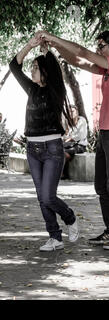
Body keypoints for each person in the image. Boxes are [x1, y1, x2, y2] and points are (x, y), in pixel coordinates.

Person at [38, 30, 109, 250]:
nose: (98, 49)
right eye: (98, 46)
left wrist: (52, 37)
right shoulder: (106, 71)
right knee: (101, 185)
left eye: (102, 46)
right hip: (105, 134)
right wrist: (55, 47)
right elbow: (77, 59)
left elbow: (82, 52)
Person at [9, 36, 79, 251]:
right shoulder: (31, 89)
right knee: (42, 198)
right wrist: (29, 46)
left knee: (48, 196)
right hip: (33, 149)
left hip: (52, 149)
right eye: (32, 68)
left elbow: (56, 72)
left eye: (36, 68)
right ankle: (55, 237)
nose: (32, 71)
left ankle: (70, 218)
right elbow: (14, 66)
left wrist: (46, 50)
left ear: (46, 71)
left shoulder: (56, 90)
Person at [61, 104, 88, 180]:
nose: (71, 113)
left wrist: (70, 139)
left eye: (72, 111)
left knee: (64, 153)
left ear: (77, 112)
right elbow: (63, 136)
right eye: (69, 112)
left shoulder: (82, 120)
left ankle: (62, 174)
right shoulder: (66, 122)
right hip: (68, 145)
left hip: (80, 145)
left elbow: (81, 136)